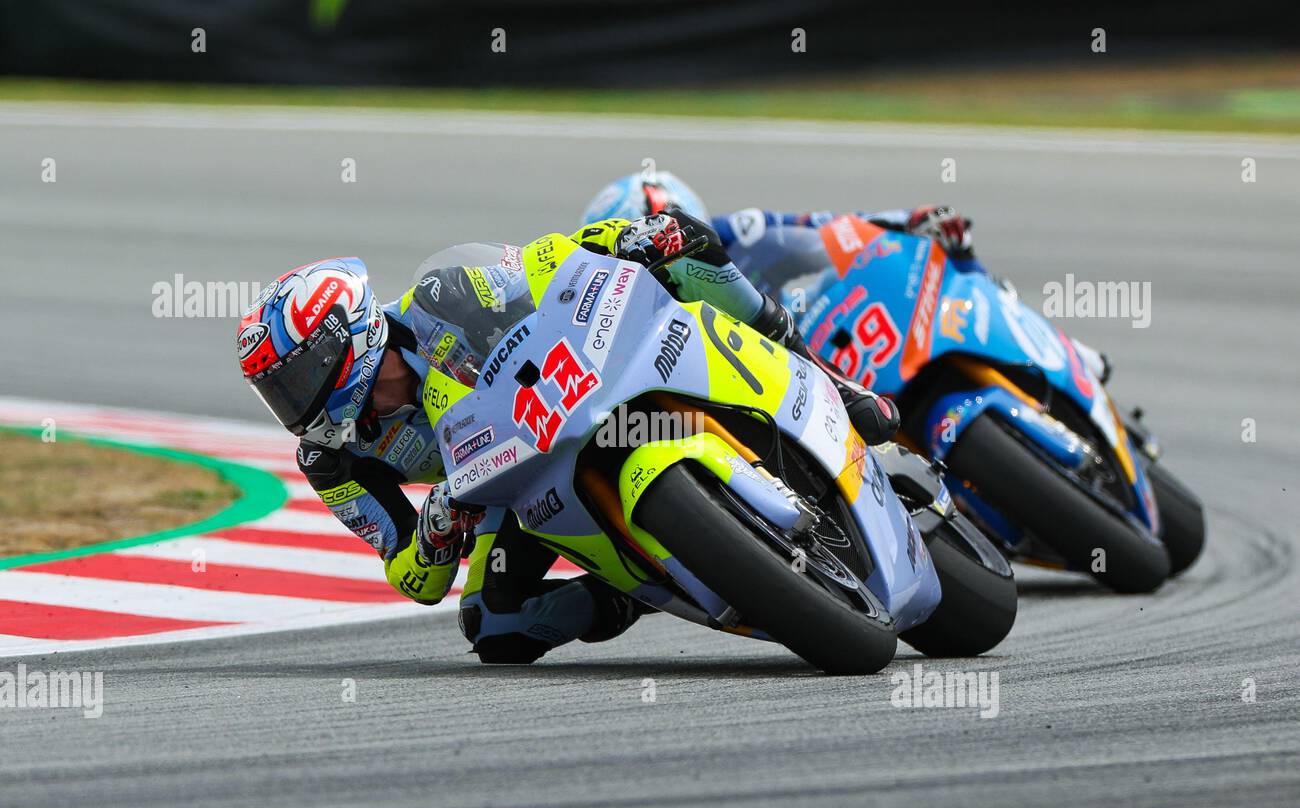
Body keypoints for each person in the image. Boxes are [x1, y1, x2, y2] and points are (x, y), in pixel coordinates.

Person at [235, 214, 900, 665]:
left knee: (687, 244)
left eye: (296, 378)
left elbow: (546, 260)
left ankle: (833, 384)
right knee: (493, 627)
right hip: (506, 484)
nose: (294, 403)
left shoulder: (443, 293)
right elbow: (410, 575)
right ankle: (636, 589)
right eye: (279, 391)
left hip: (581, 382)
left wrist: (628, 238)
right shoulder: (330, 457)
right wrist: (436, 529)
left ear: (345, 338)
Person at [581, 170, 1111, 383]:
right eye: (633, 243)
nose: (652, 247)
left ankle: (1068, 351)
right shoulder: (620, 315)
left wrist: (906, 221)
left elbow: (832, 230)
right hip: (771, 387)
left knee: (950, 265)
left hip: (840, 339)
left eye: (654, 229)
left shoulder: (734, 234)